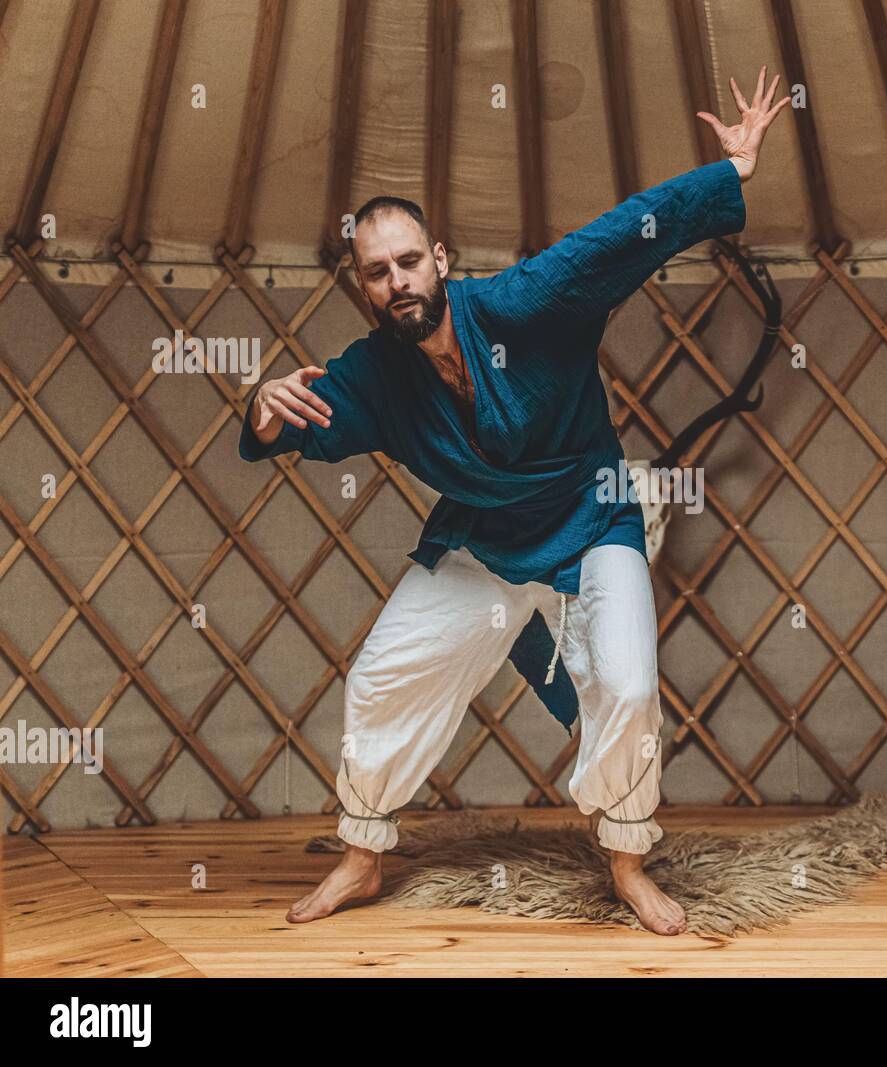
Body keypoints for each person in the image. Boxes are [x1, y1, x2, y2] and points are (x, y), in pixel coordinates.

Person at [240, 69, 789, 934]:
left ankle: (626, 863)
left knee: (628, 680)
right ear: (362, 286)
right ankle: (362, 858)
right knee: (381, 673)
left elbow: (622, 236)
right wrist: (263, 407)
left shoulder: (526, 304)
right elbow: (299, 426)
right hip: (484, 540)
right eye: (377, 272)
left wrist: (730, 176)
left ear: (442, 262)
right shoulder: (374, 372)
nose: (398, 282)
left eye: (410, 262)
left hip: (591, 519)